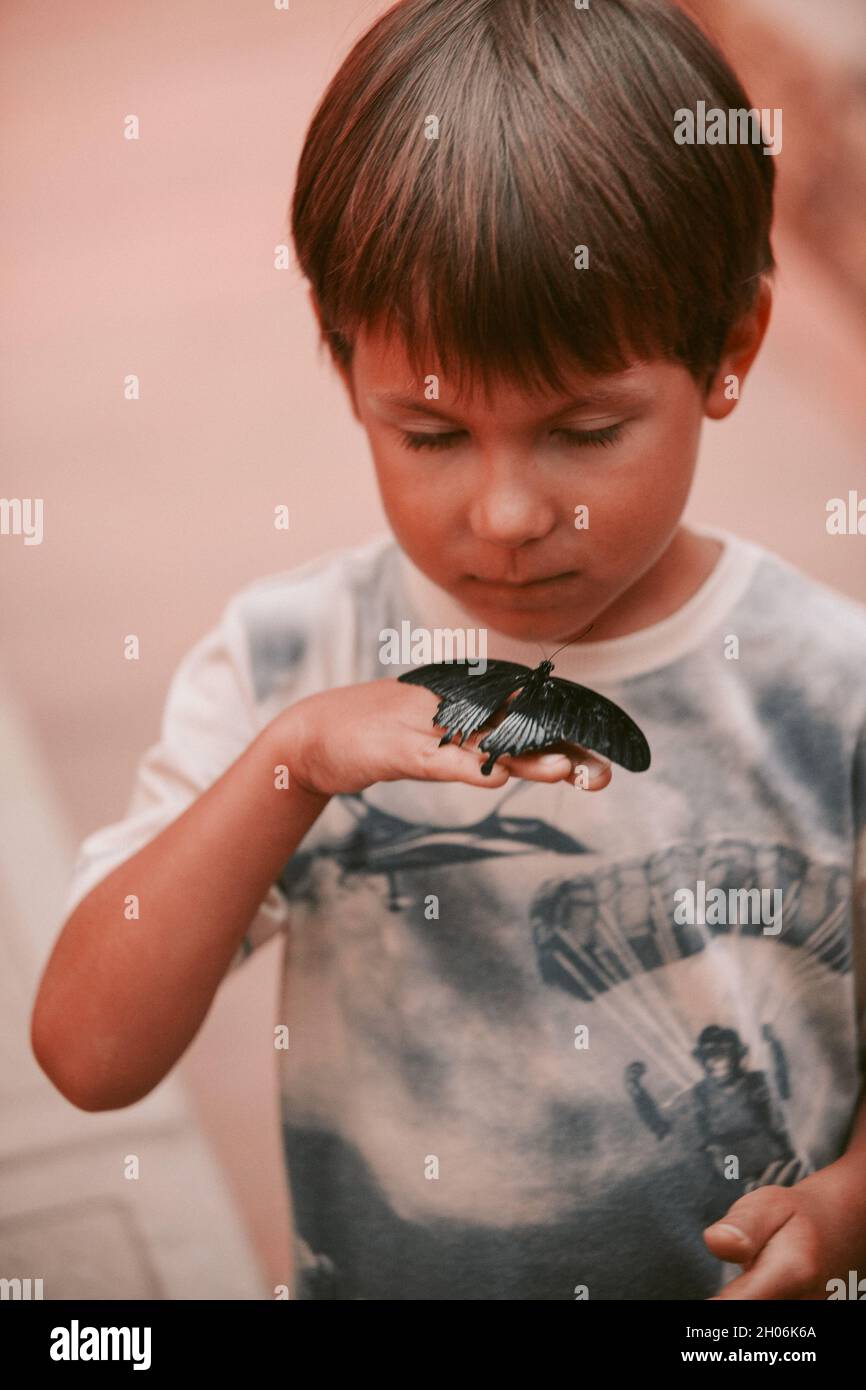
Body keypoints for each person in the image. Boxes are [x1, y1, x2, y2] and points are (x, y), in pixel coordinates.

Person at [31, 0, 866, 1300]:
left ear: (731, 348)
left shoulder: (829, 689)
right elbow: (88, 1050)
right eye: (427, 434)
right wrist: (291, 762)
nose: (507, 515)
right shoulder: (288, 664)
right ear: (342, 358)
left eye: (585, 431)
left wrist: (842, 1208)